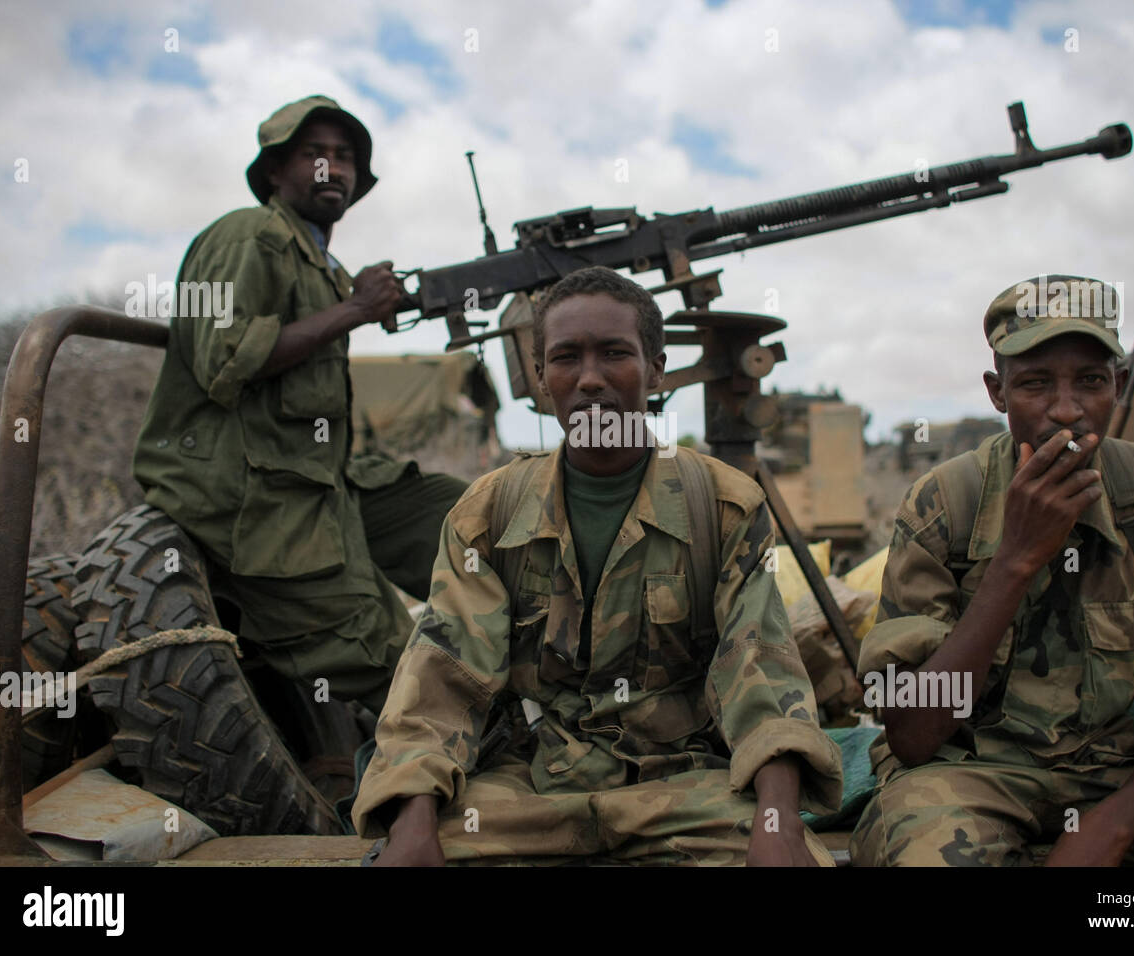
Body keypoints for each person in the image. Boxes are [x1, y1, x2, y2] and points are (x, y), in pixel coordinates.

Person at [351, 266, 843, 865]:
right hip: (530, 784)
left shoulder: (722, 506)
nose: (589, 380)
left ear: (656, 368)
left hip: (681, 785)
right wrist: (414, 820)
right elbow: (443, 680)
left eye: (615, 354)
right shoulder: (488, 513)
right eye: (565, 358)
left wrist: (777, 819)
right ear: (539, 377)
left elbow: (761, 674)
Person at [851, 275, 1134, 866]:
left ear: (1119, 385)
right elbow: (914, 736)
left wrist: (1112, 827)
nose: (1067, 410)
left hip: (1116, 773)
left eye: (1092, 381)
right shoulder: (944, 503)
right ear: (997, 393)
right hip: (969, 777)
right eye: (1035, 384)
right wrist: (1016, 559)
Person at [133, 95, 468, 712]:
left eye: (343, 157)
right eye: (313, 153)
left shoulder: (319, 261)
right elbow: (226, 359)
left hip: (318, 485)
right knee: (395, 659)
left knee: (460, 517)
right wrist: (357, 310)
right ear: (273, 173)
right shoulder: (249, 234)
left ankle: (536, 654)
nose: (331, 168)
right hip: (250, 502)